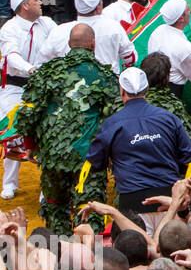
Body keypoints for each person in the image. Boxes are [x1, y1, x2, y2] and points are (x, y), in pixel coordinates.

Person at [13, 24, 119, 232]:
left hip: (52, 156)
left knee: (55, 206)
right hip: (88, 157)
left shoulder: (46, 72)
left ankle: (57, 255)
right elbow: (114, 119)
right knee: (88, 208)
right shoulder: (105, 76)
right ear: (93, 44)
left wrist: (30, 145)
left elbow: (27, 113)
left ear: (69, 44)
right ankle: (88, 257)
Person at [86, 67, 191, 224]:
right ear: (147, 89)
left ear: (122, 91)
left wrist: (111, 158)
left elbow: (95, 161)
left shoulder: (112, 123)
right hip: (169, 197)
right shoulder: (169, 118)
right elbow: (188, 156)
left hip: (132, 201)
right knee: (173, 245)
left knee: (134, 246)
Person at [0, 0, 54, 199]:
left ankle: (45, 186)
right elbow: (11, 56)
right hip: (15, 85)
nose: (41, 2)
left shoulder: (48, 23)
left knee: (46, 131)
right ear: (25, 5)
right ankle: (9, 183)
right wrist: (30, 69)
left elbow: (60, 42)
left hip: (43, 85)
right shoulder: (9, 29)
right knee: (13, 130)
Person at [146, 0, 191, 97]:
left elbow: (176, 56)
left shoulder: (158, 31)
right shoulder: (185, 49)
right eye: (188, 10)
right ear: (181, 18)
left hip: (154, 85)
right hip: (174, 91)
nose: (190, 12)